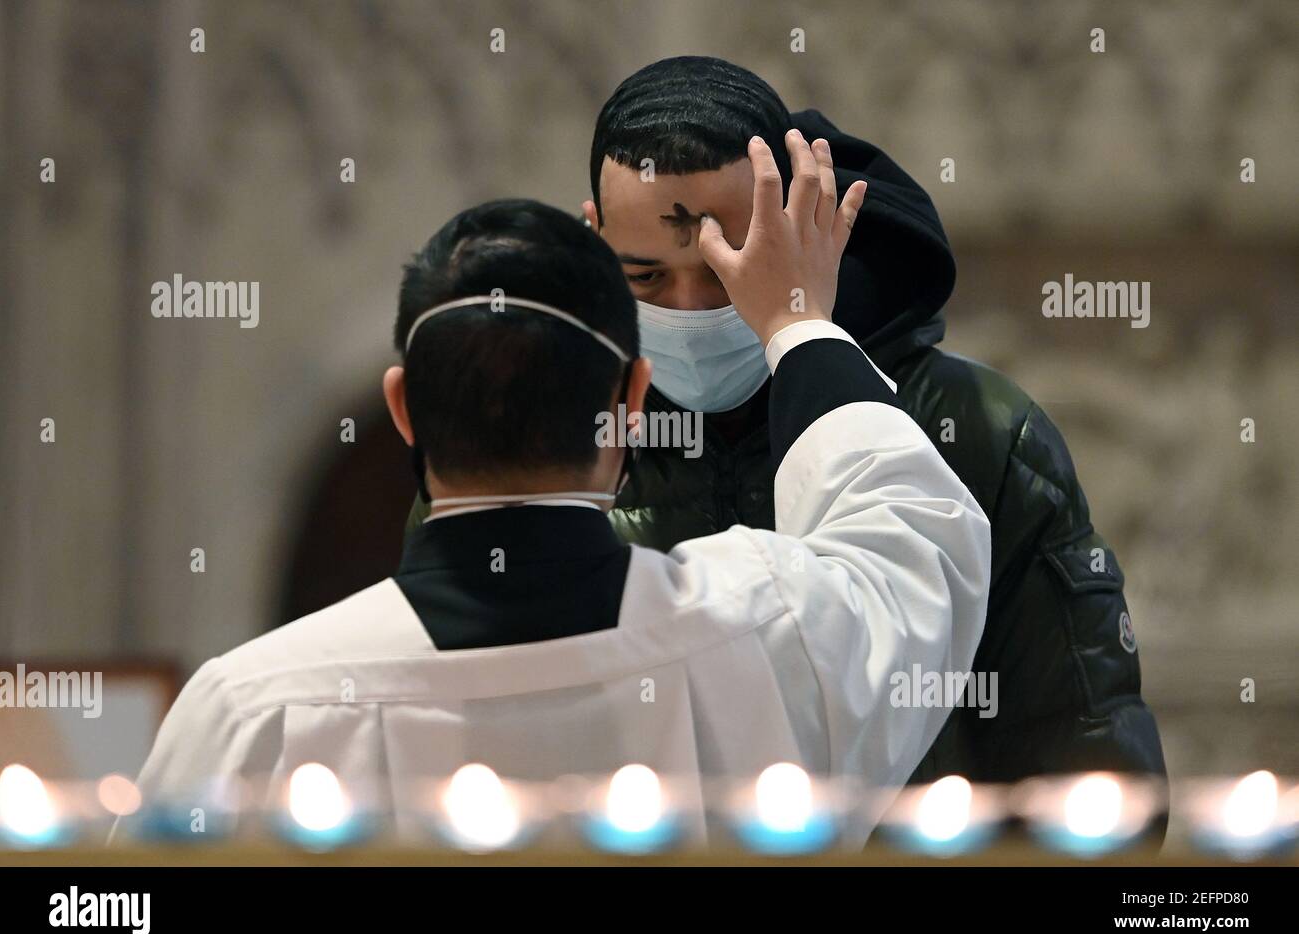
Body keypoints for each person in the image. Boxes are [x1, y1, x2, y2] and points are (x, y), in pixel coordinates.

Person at [127, 134, 990, 842]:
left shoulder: (250, 713)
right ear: (630, 405)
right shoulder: (768, 633)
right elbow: (918, 536)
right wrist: (799, 322)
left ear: (403, 410)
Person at [409, 55, 1164, 785]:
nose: (692, 308)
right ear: (593, 244)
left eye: (732, 267)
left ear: (810, 223)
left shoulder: (972, 431)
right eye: (645, 276)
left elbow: (1087, 767)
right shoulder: (532, 447)